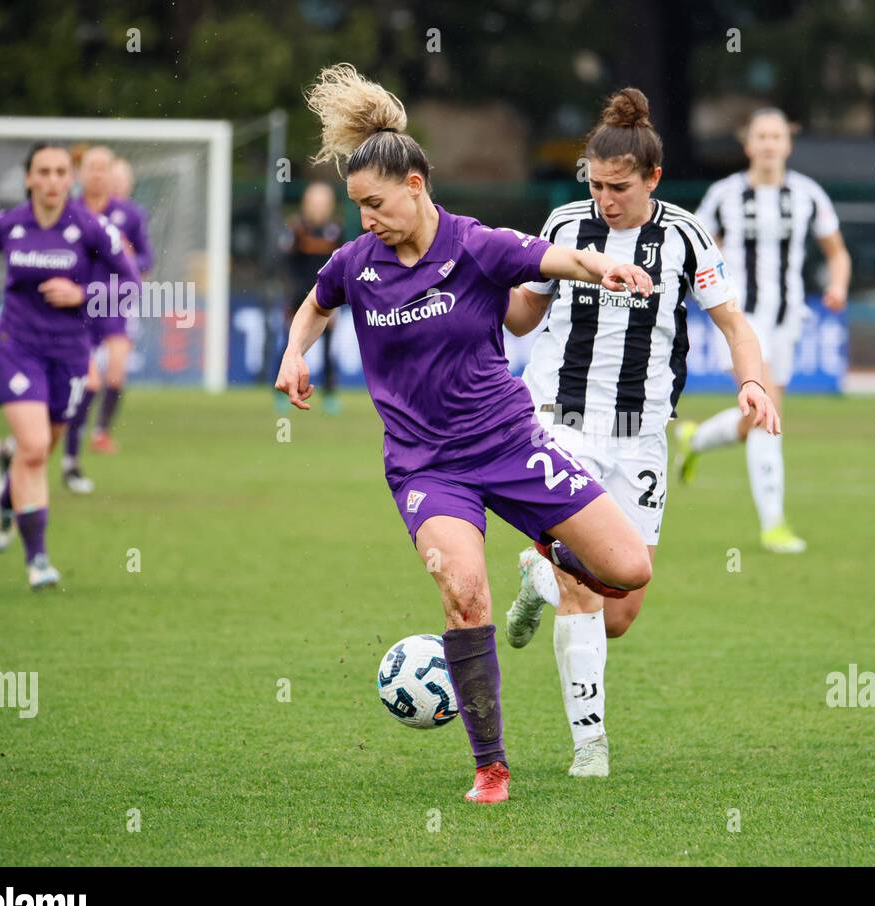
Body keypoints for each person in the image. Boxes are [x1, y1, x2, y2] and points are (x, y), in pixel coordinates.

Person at [276, 63, 659, 804]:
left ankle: (550, 554)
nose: (367, 220)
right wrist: (295, 352)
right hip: (426, 467)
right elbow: (315, 303)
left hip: (510, 444)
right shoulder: (358, 263)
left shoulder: (474, 244)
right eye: (358, 207)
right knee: (462, 588)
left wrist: (602, 268)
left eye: (376, 204)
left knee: (627, 572)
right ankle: (491, 766)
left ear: (416, 186)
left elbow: (553, 259)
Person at [500, 88, 780, 777]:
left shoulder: (684, 236)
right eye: (594, 185)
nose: (604, 199)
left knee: (620, 612)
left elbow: (734, 324)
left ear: (652, 178)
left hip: (641, 435)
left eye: (618, 187)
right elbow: (521, 320)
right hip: (558, 426)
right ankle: (589, 743)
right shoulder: (565, 225)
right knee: (587, 594)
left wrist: (751, 383)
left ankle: (539, 573)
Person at [0, 142, 138, 588]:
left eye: (60, 172)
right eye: (44, 172)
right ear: (29, 179)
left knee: (40, 447)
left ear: (68, 180)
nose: (53, 180)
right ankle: (38, 561)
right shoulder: (7, 225)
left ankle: (6, 483)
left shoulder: (89, 227)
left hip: (71, 352)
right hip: (16, 346)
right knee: (36, 448)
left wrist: (84, 295)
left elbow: (130, 283)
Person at [675, 107, 851, 554]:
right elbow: (697, 249)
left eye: (778, 136)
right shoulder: (724, 195)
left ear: (788, 144)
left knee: (757, 417)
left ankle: (696, 438)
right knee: (767, 412)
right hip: (740, 320)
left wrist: (838, 286)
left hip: (789, 320)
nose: (770, 144)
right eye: (762, 136)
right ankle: (773, 524)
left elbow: (837, 252)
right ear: (748, 144)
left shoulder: (808, 195)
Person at [64, 145, 154, 476]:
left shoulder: (129, 215)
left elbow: (146, 260)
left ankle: (100, 432)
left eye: (105, 168)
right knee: (87, 381)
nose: (99, 174)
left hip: (115, 305)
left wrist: (131, 259)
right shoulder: (69, 211)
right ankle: (70, 440)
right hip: (76, 309)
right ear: (81, 173)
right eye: (93, 168)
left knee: (115, 371)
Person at [274, 181, 343, 414]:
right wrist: (291, 295)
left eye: (324, 203)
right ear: (306, 204)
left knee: (328, 346)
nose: (319, 208)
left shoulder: (335, 229)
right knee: (291, 344)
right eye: (315, 203)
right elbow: (285, 264)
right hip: (298, 297)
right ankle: (282, 391)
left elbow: (340, 266)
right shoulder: (296, 229)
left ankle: (330, 394)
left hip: (327, 297)